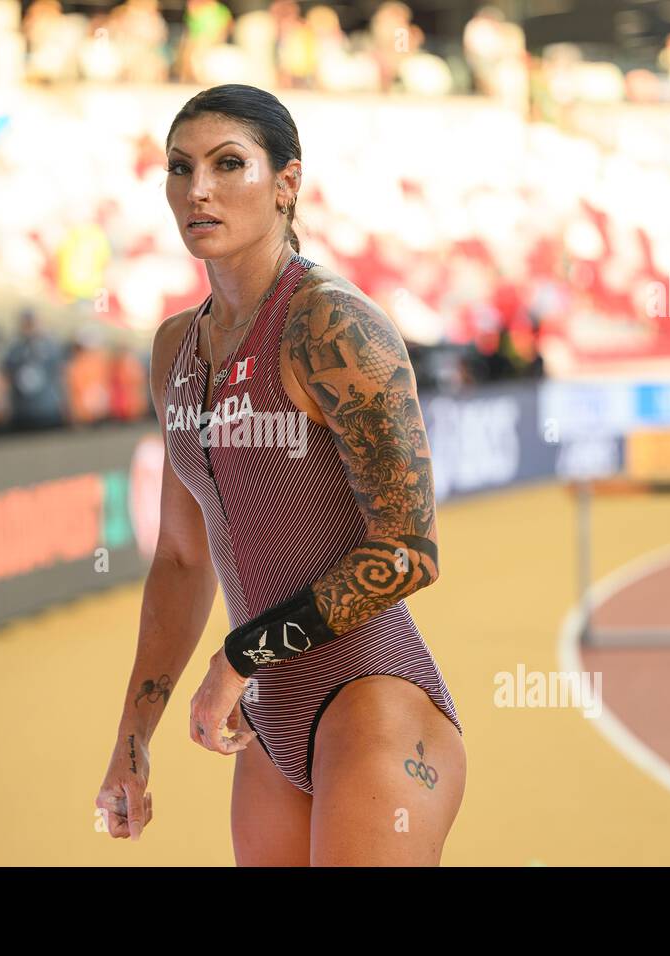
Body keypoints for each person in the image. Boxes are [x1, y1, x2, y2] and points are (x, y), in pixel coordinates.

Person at [96, 84, 465, 865]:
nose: (198, 188)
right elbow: (182, 557)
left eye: (230, 164)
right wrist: (133, 739)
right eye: (180, 167)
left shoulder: (331, 323)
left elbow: (409, 551)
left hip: (373, 703)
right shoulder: (175, 350)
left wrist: (239, 656)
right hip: (271, 724)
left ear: (287, 184)